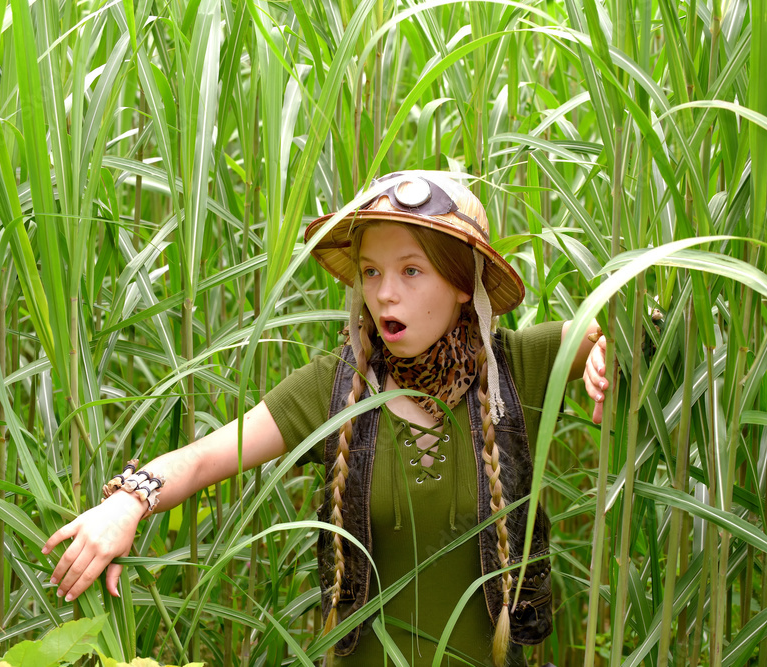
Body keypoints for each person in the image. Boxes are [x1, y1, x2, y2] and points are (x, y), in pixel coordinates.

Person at [43, 171, 611, 666]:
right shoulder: (337, 388)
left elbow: (639, 323)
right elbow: (204, 458)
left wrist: (606, 349)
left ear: (463, 284)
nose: (384, 294)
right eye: (370, 271)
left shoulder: (522, 368)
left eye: (411, 271)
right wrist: (128, 501)